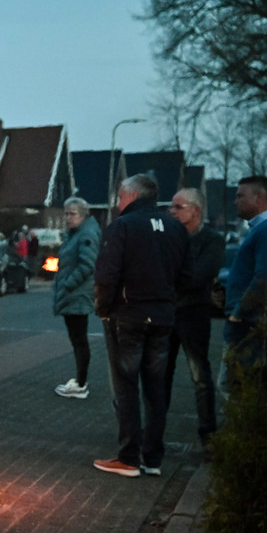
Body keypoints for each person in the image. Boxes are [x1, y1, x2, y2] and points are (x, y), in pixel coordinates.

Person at [92, 174, 190, 477]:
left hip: (129, 315)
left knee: (126, 386)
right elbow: (186, 276)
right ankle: (153, 458)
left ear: (130, 195)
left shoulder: (122, 226)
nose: (118, 203)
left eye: (120, 197)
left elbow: (106, 274)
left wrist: (104, 308)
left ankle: (128, 457)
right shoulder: (176, 227)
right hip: (163, 317)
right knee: (155, 388)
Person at [219, 175, 267, 399]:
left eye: (240, 196)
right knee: (237, 384)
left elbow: (263, 279)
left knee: (236, 386)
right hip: (249, 322)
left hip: (250, 324)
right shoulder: (263, 229)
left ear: (259, 197)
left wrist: (238, 314)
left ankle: (240, 432)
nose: (235, 201)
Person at [166, 188, 223, 448]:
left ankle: (208, 434)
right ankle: (154, 433)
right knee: (159, 376)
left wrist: (172, 278)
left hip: (194, 314)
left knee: (200, 375)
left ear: (195, 211)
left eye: (178, 207)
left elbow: (201, 275)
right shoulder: (169, 237)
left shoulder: (211, 240)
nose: (172, 211)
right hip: (167, 314)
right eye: (172, 207)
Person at [53, 197, 101, 399]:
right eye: (66, 213)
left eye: (72, 214)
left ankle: (81, 383)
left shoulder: (86, 234)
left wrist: (68, 284)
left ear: (83, 215)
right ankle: (80, 380)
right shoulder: (75, 234)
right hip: (73, 294)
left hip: (77, 295)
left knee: (79, 339)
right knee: (77, 339)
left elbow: (87, 265)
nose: (67, 218)